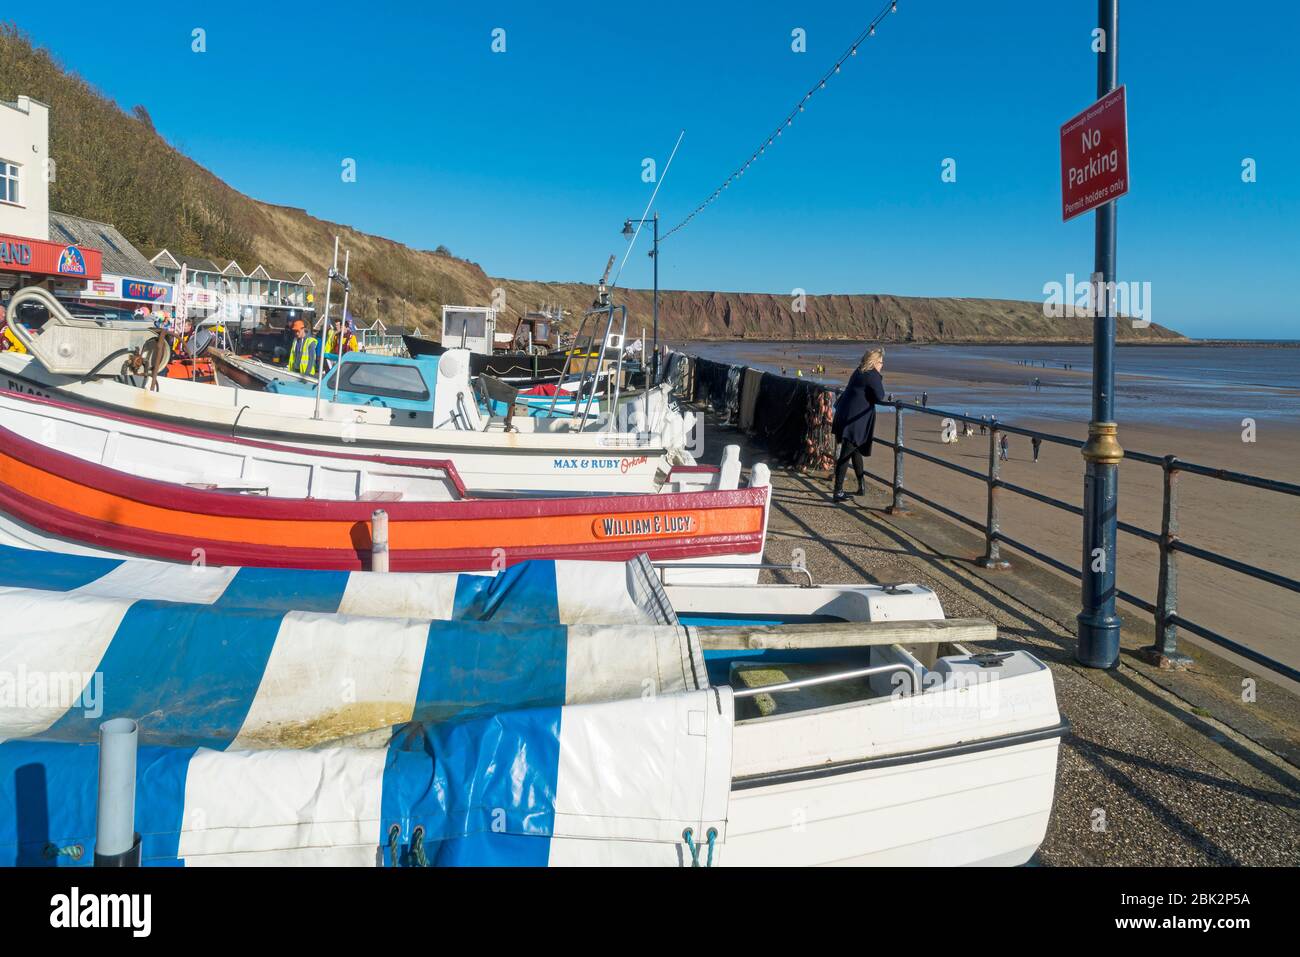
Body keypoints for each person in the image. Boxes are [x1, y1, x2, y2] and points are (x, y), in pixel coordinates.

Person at [830, 347, 886, 503]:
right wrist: (878, 375)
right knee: (846, 454)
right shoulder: (872, 374)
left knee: (855, 451)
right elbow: (880, 396)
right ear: (875, 363)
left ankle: (861, 486)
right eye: (881, 362)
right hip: (854, 420)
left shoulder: (859, 371)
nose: (882, 365)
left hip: (846, 415)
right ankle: (837, 491)